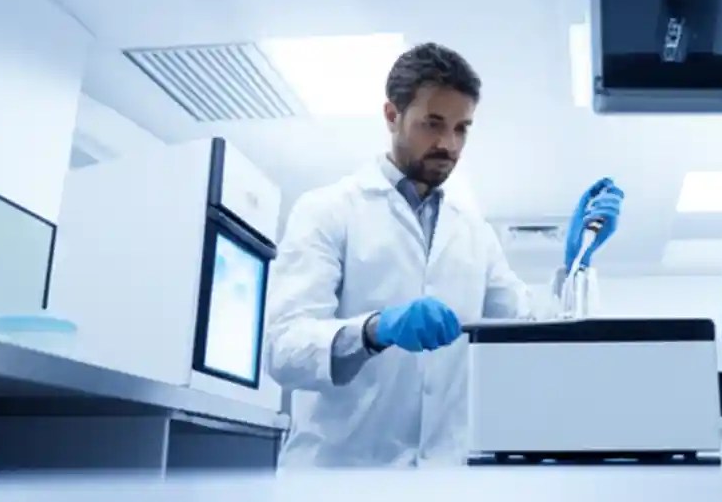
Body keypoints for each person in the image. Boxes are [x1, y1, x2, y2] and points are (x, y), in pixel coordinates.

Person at [265, 42, 625, 468]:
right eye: (432, 124)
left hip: (441, 480)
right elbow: (283, 349)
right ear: (392, 115)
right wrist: (374, 331)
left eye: (461, 129)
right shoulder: (327, 210)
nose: (448, 144)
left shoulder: (474, 232)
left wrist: (577, 261)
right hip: (339, 476)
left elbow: (531, 330)